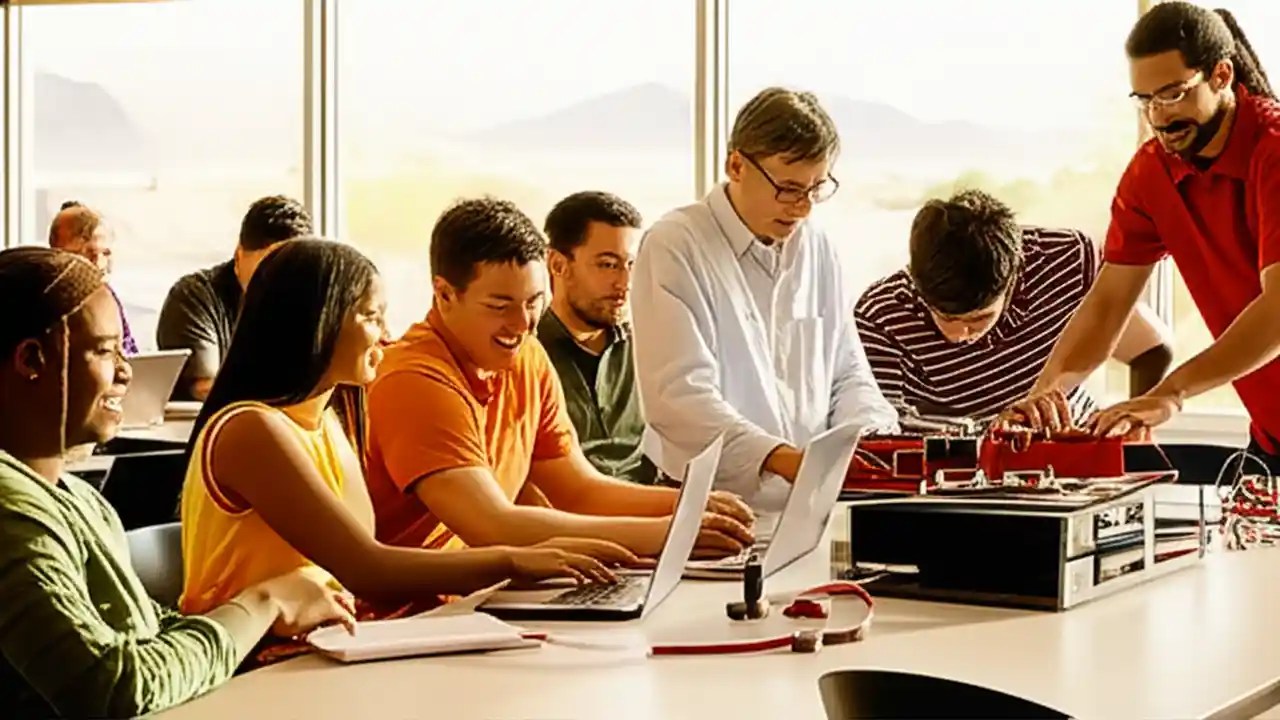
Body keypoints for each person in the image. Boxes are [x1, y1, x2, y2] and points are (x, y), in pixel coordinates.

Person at [180, 239, 620, 632]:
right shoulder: (250, 429)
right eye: (371, 317)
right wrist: (513, 560)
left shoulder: (329, 421)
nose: (386, 334)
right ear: (318, 321)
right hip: (255, 661)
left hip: (333, 643)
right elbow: (367, 569)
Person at [0, 247, 353, 719]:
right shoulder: (10, 510)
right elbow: (113, 687)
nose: (125, 370)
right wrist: (263, 603)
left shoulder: (80, 499)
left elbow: (145, 633)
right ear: (31, 359)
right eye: (104, 350)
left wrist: (256, 631)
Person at [364, 197, 754, 558]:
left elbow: (579, 491)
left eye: (534, 302)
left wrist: (691, 504)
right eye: (499, 306)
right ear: (445, 295)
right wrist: (670, 534)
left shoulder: (527, 356)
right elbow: (492, 524)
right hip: (426, 605)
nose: (522, 324)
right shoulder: (413, 379)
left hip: (499, 590)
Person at [1005, 3, 1280, 466]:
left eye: (1173, 94)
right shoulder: (1150, 175)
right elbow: (1108, 304)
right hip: (1271, 438)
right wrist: (1046, 394)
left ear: (1221, 75)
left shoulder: (1273, 151)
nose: (1159, 116)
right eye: (1146, 100)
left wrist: (1171, 392)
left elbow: (1277, 313)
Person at [630, 87, 898, 511]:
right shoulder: (675, 244)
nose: (803, 208)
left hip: (808, 499)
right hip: (708, 502)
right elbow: (678, 398)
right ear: (736, 165)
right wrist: (783, 459)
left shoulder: (817, 248)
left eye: (816, 189)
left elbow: (848, 373)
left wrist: (868, 437)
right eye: (788, 189)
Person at [855, 189, 1173, 425]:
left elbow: (1152, 352)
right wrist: (994, 435)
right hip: (953, 484)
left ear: (1013, 280)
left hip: (1072, 465)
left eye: (979, 319)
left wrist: (1132, 428)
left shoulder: (1067, 263)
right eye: (946, 317)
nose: (961, 335)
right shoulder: (880, 318)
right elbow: (879, 435)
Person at [540, 191, 657, 485]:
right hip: (576, 507)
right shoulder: (527, 356)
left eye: (630, 265)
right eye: (607, 264)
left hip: (655, 500)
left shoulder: (648, 345)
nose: (624, 283)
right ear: (557, 265)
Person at [157, 195, 313, 401]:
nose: (279, 282)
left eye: (291, 271)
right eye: (266, 269)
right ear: (239, 257)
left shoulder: (311, 298)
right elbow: (205, 387)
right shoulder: (195, 296)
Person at [48, 201, 137, 355]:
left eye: (106, 253)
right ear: (56, 253)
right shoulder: (43, 303)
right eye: (87, 253)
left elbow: (130, 353)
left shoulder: (107, 297)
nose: (99, 263)